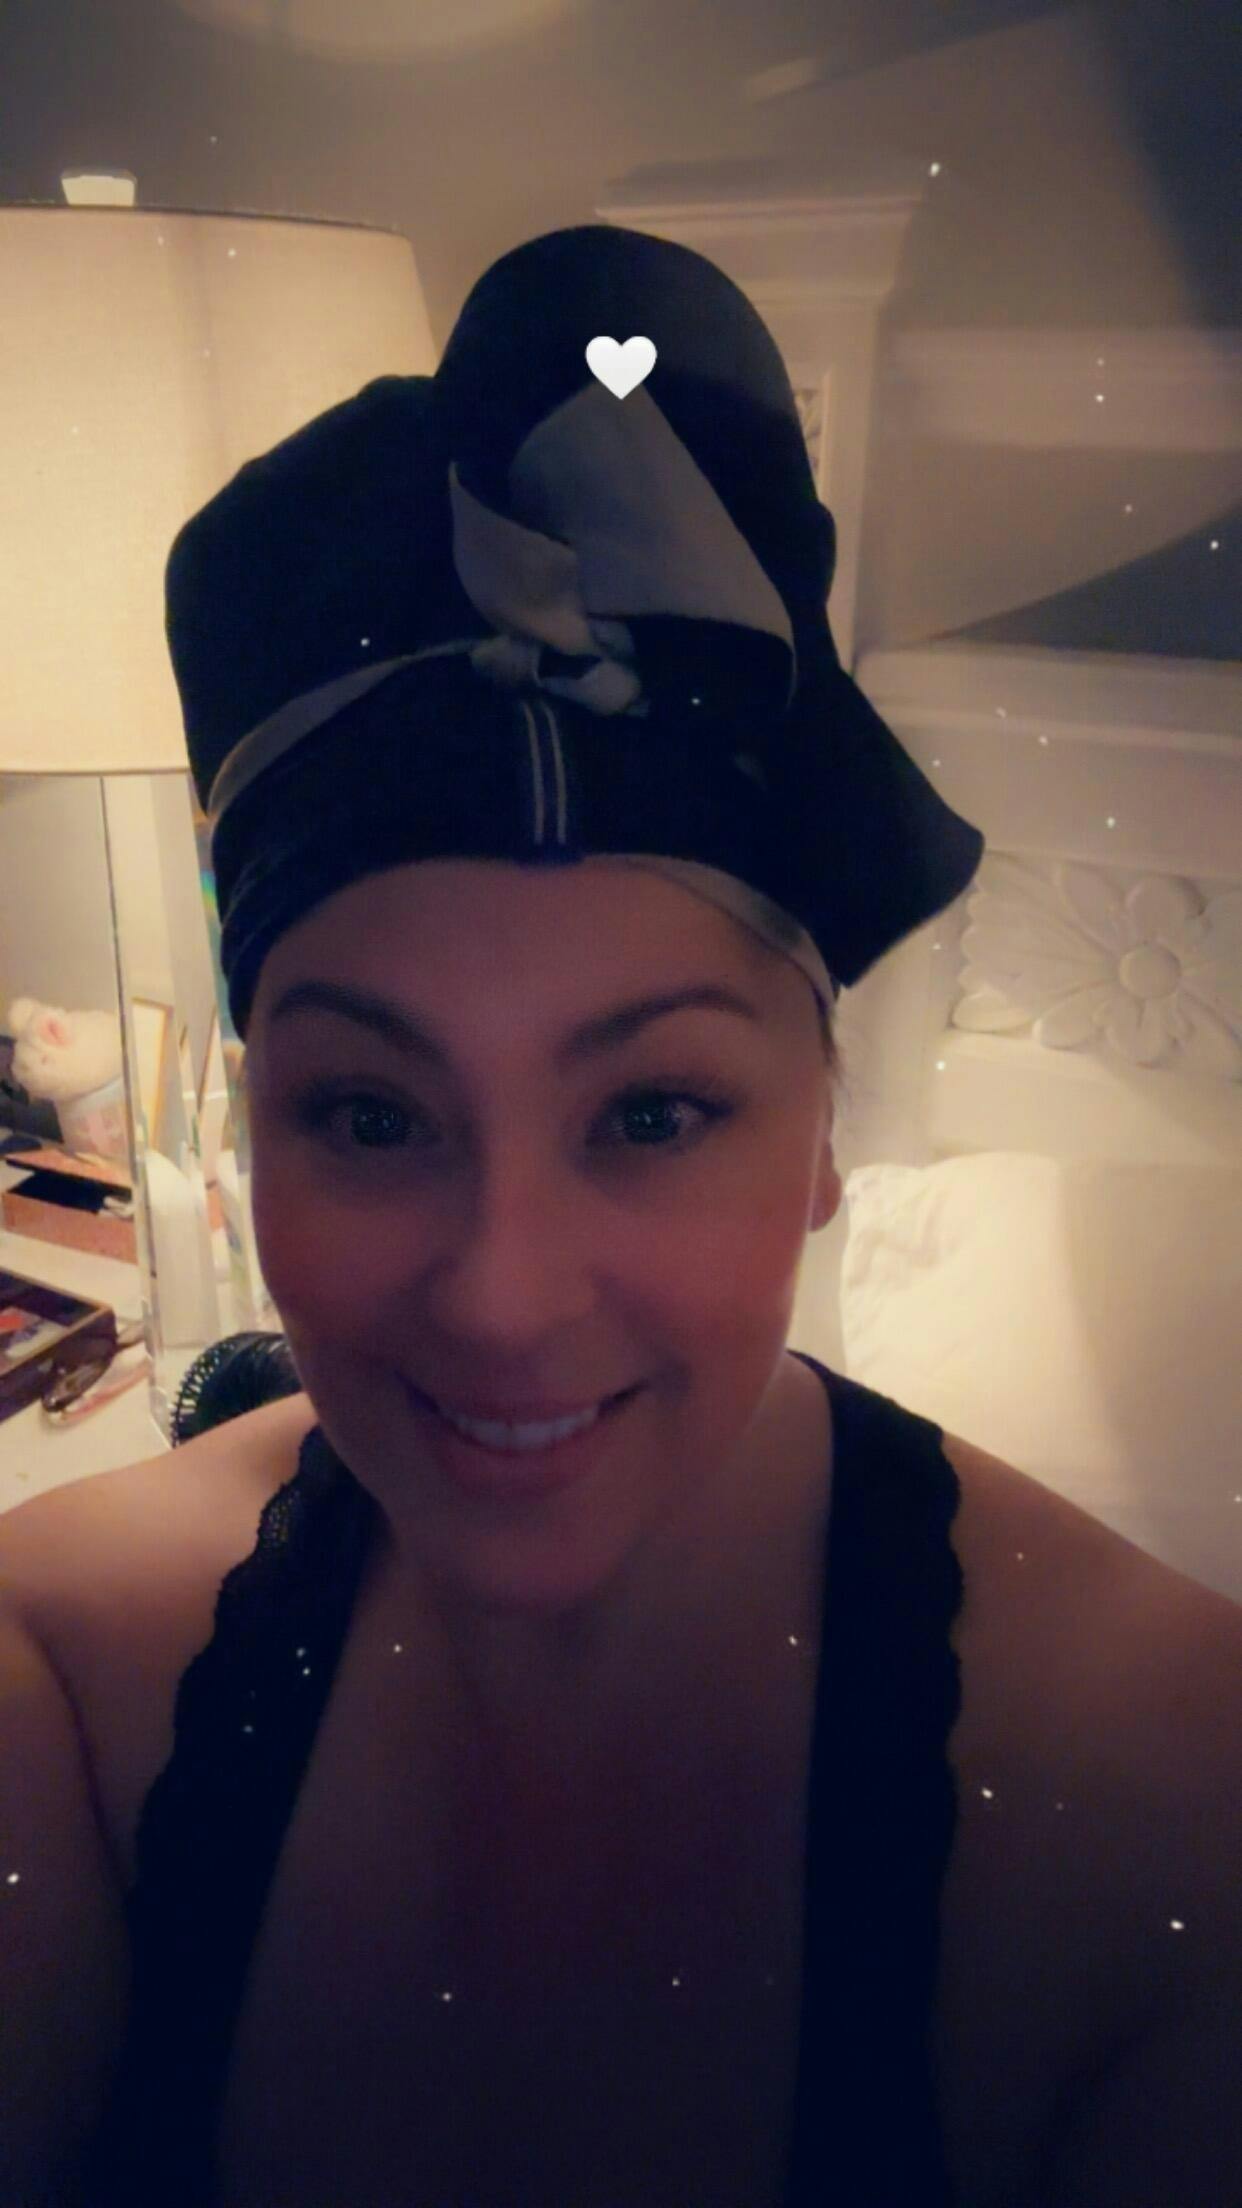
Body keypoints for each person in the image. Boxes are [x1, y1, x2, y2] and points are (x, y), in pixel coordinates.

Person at [3, 223, 1239, 2208]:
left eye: (653, 1112)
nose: (503, 1296)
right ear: (252, 1132)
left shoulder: (1173, 1808)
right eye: (371, 1114)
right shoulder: (56, 1685)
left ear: (824, 1128)